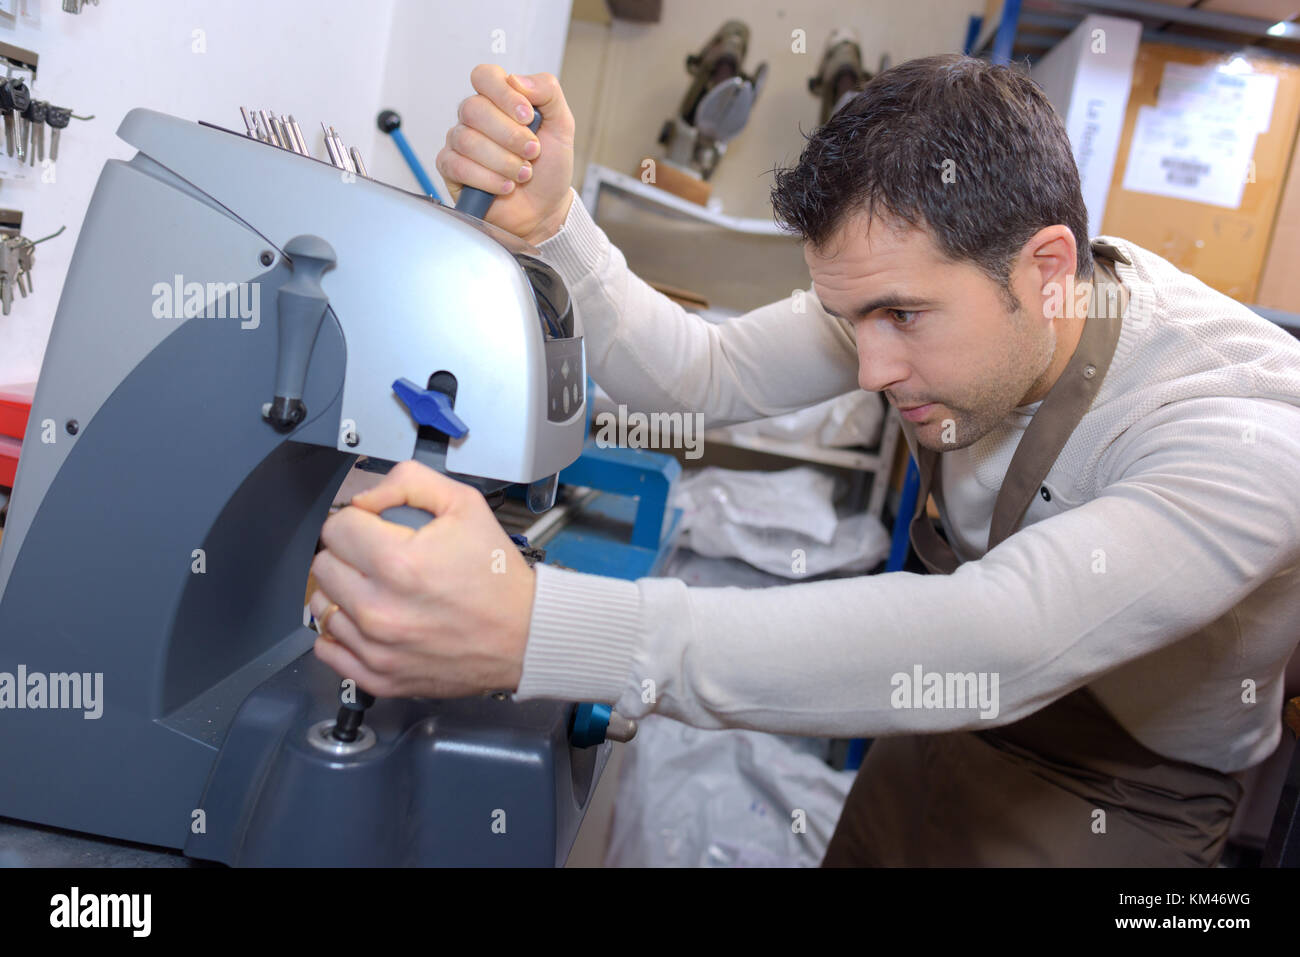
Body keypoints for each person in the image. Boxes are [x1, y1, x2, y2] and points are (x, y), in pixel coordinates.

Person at [308, 54, 1300, 866]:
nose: (870, 369)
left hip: (1117, 801)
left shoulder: (1245, 428)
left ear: (1045, 270)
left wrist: (547, 632)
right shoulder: (939, 278)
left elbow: (999, 638)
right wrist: (553, 228)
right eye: (849, 318)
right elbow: (700, 372)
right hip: (936, 723)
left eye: (901, 318)